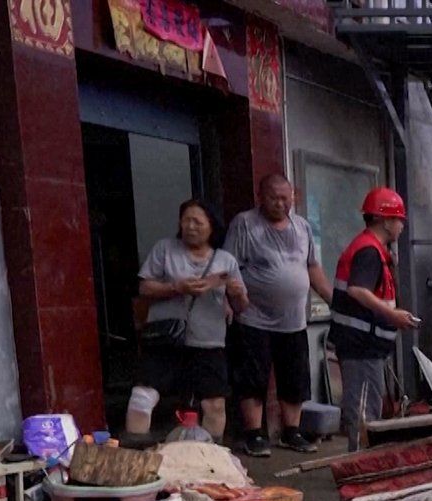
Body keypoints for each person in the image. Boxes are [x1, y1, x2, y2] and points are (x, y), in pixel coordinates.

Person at [225, 174, 334, 456]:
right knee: (253, 378)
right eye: (274, 197)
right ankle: (254, 433)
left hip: (294, 319)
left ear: (293, 197)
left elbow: (312, 267)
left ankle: (291, 432)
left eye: (286, 198)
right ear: (261, 196)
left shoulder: (303, 228)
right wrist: (233, 298)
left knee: (294, 378)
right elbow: (228, 266)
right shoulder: (245, 224)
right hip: (253, 318)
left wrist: (334, 299)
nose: (280, 203)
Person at [126, 200, 247, 441]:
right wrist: (176, 287)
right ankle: (137, 453)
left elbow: (242, 307)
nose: (190, 226)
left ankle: (212, 459)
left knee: (214, 404)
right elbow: (144, 288)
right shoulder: (165, 249)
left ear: (211, 226)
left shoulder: (226, 260)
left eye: (197, 222)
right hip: (166, 338)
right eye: (186, 220)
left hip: (209, 341)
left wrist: (236, 293)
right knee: (142, 397)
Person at [328, 187, 417, 452]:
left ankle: (360, 462)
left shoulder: (372, 249)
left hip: (365, 346)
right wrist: (393, 315)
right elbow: (357, 290)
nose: (401, 225)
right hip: (361, 346)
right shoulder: (369, 252)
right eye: (399, 219)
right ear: (385, 220)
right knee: (364, 410)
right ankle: (358, 466)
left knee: (367, 406)